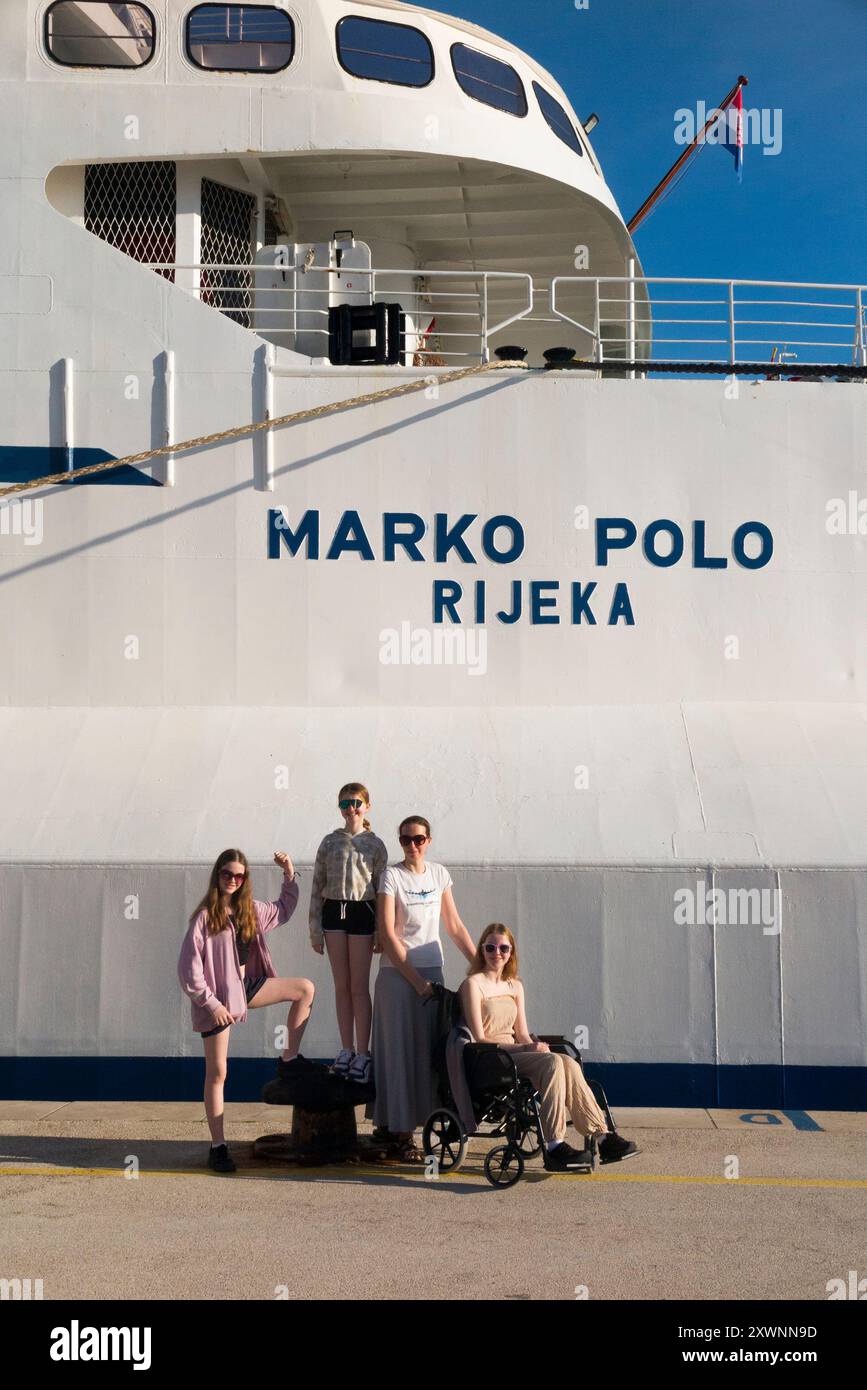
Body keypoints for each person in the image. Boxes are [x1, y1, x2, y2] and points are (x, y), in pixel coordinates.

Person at [178, 848, 316, 1174]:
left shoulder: (249, 911)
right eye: (227, 874)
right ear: (218, 875)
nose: (233, 880)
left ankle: (289, 1061)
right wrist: (211, 1004)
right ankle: (218, 1146)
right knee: (218, 1073)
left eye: (239, 876)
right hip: (216, 1001)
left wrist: (289, 872)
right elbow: (188, 970)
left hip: (244, 989)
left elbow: (284, 909)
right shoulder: (204, 918)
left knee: (305, 989)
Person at [459, 923, 639, 1171]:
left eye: (503, 947)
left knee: (566, 1061)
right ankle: (555, 1145)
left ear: (511, 952)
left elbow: (521, 1032)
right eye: (490, 947)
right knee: (553, 1063)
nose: (496, 953)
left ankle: (603, 1136)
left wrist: (532, 1045)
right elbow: (478, 1038)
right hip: (492, 1056)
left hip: (515, 1052)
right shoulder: (473, 984)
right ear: (482, 950)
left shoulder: (515, 986)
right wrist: (524, 1050)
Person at [370, 815, 476, 1162]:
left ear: (428, 840)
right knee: (400, 1054)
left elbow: (455, 925)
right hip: (399, 977)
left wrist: (482, 966)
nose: (411, 845)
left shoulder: (439, 874)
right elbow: (387, 934)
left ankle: (429, 1121)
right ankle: (399, 1134)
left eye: (418, 839)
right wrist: (415, 981)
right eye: (405, 840)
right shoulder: (391, 876)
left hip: (433, 974)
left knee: (431, 1055)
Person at [309, 782, 388, 1085]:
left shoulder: (375, 844)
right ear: (339, 808)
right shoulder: (330, 842)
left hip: (361, 911)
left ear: (366, 806)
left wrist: (381, 930)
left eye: (356, 803)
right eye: (345, 804)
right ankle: (346, 1049)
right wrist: (314, 930)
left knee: (359, 985)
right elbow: (317, 885)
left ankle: (363, 1053)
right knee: (341, 984)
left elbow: (382, 890)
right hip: (334, 910)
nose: (351, 809)